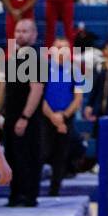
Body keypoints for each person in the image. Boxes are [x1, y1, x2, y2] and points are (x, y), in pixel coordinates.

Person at [0, 18, 44, 206]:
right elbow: (5, 89)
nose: (20, 34)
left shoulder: (35, 58)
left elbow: (36, 89)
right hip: (10, 116)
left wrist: (25, 117)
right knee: (12, 156)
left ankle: (28, 196)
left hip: (27, 118)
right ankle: (15, 194)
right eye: (17, 31)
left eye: (25, 31)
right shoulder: (13, 58)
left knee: (27, 156)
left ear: (34, 35)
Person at [41, 36, 83, 197]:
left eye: (64, 48)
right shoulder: (43, 69)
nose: (61, 51)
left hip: (65, 117)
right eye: (58, 47)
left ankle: (54, 191)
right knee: (42, 152)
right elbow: (39, 96)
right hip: (46, 117)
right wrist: (53, 116)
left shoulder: (75, 70)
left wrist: (63, 116)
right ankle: (32, 191)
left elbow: (78, 98)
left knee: (61, 155)